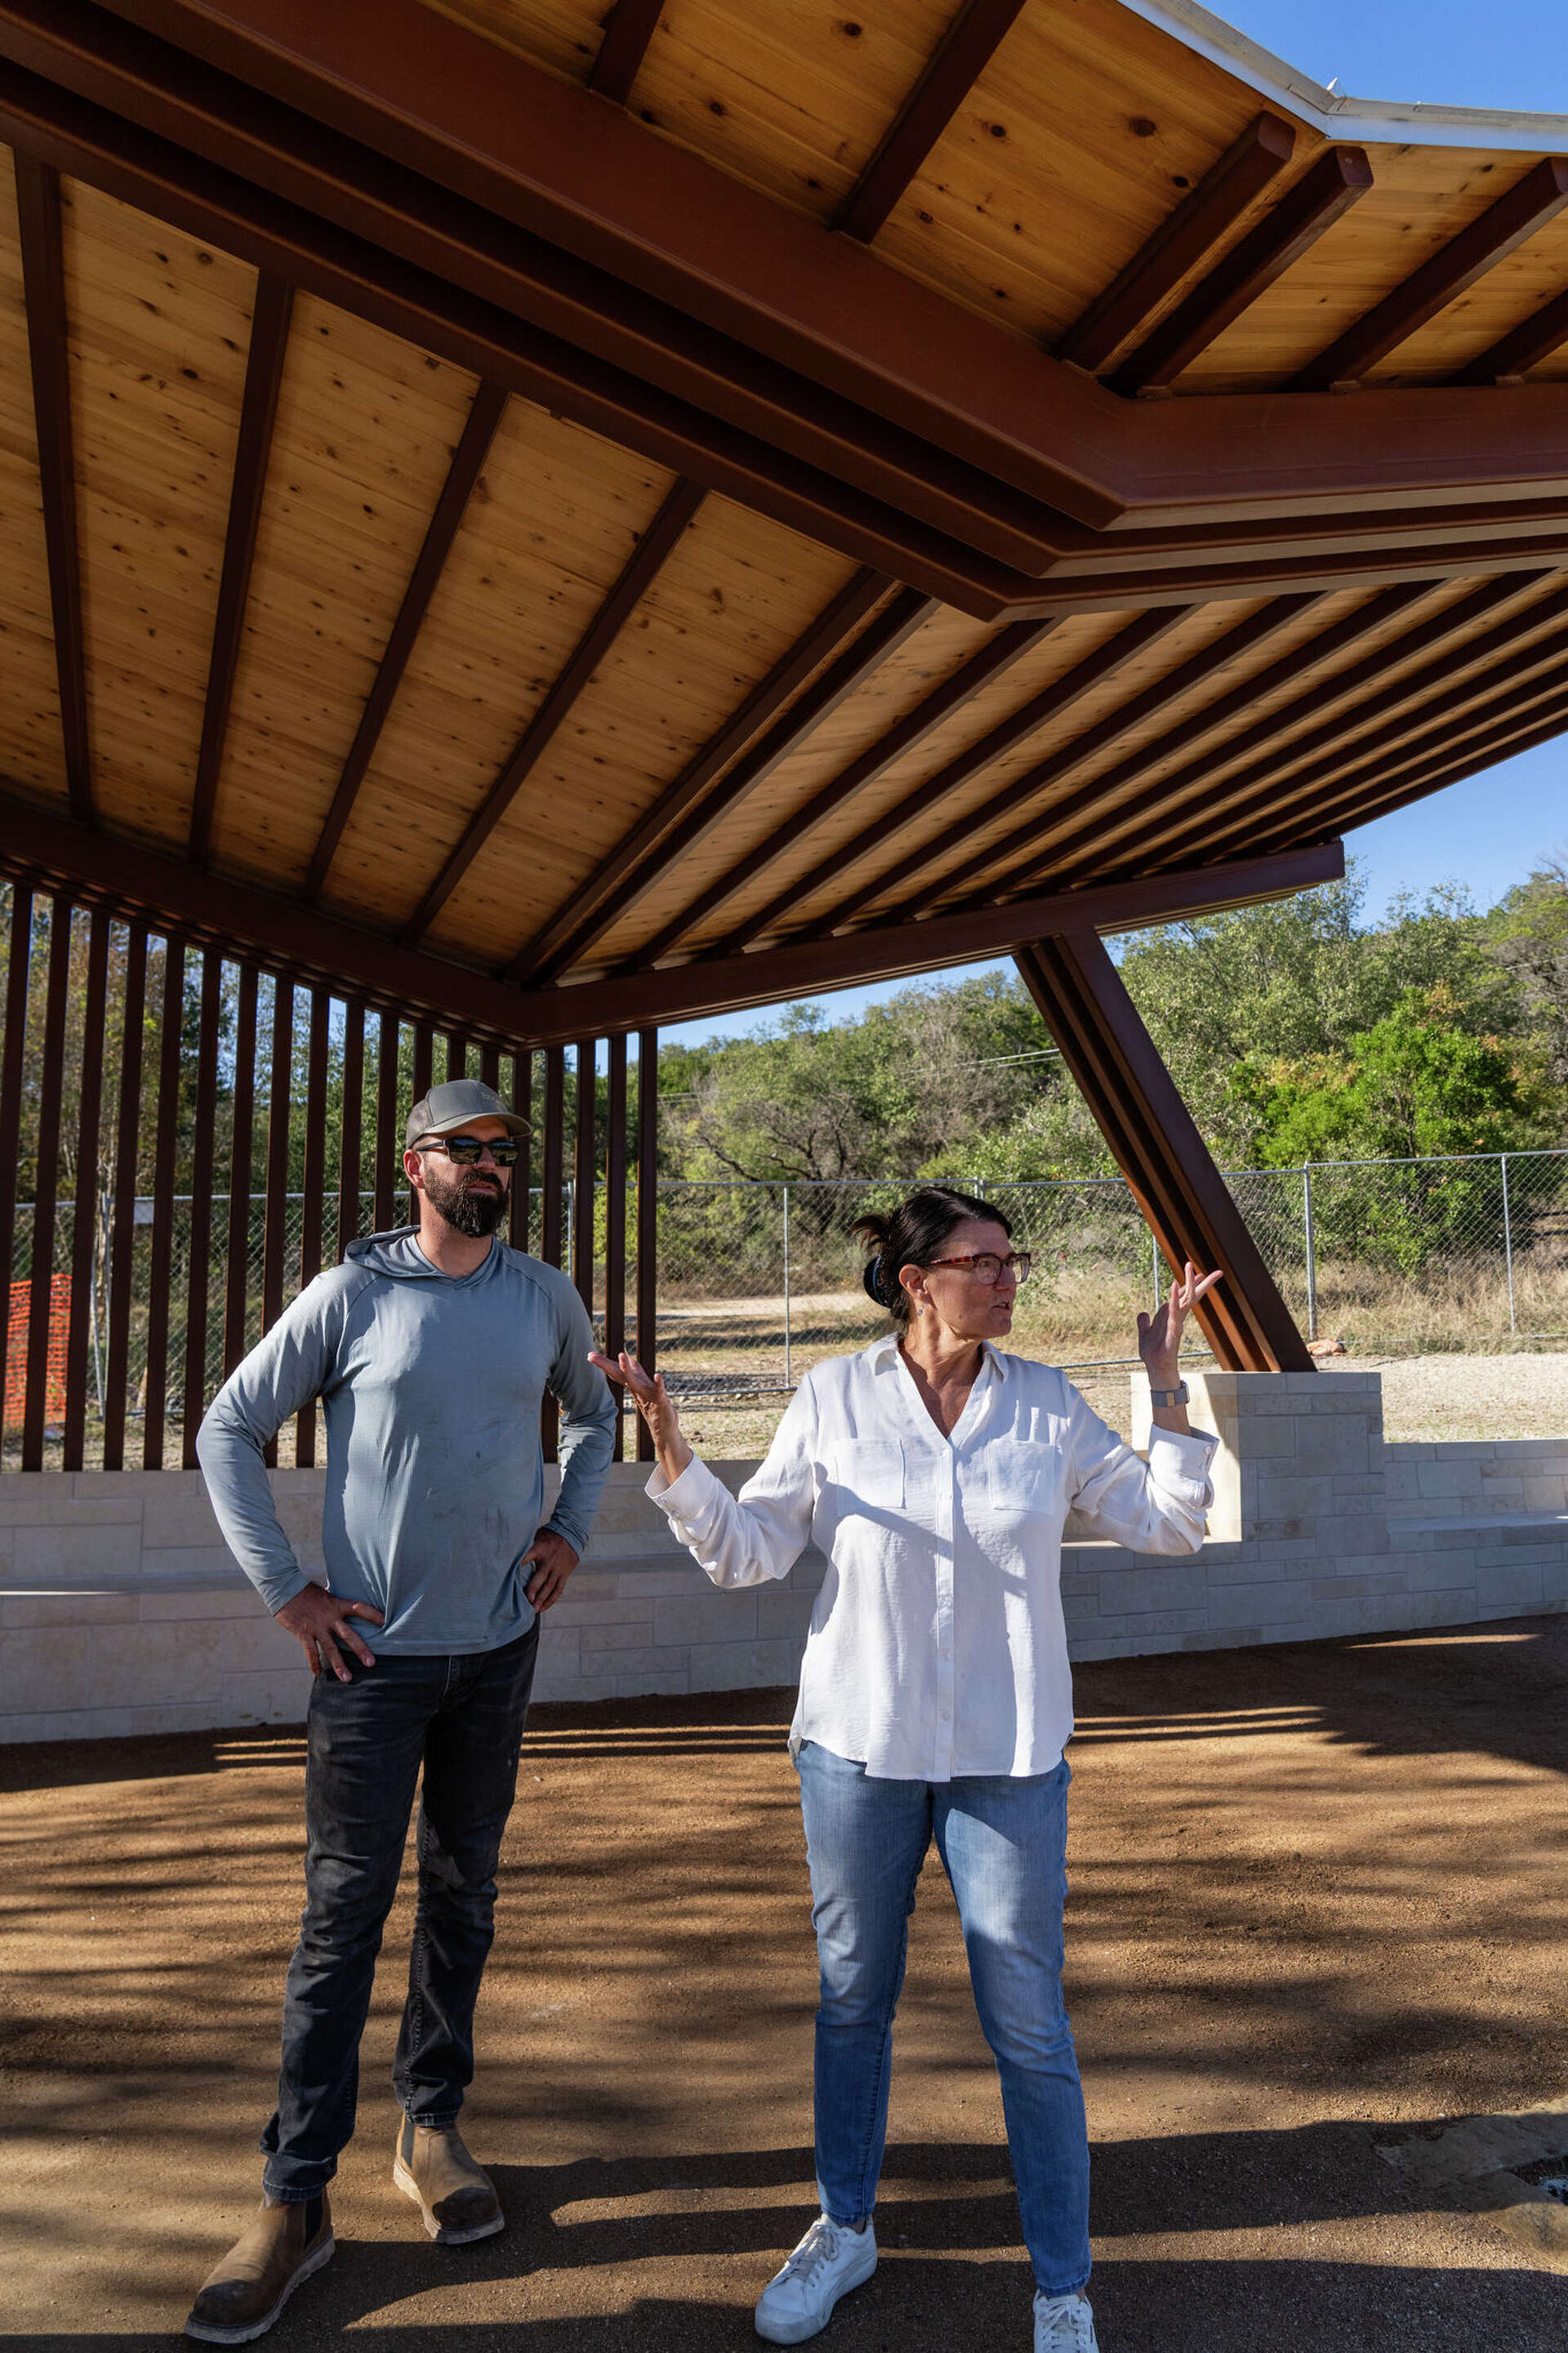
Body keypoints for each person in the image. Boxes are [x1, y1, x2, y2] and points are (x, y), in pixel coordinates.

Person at [593, 1186, 1220, 2353]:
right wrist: (675, 1451)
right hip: (858, 1752)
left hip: (1009, 1757)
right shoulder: (835, 1395)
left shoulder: (1044, 1404)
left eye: (1011, 1260)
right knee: (852, 2001)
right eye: (982, 1261)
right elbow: (750, 1552)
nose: (1006, 1278)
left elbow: (1170, 1521)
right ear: (918, 1278)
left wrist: (1169, 1386)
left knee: (1029, 2024)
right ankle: (845, 2225)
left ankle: (1061, 2285)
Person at [185, 1077, 616, 2345]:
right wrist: (292, 1594)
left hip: (497, 1653)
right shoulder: (351, 1295)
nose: (493, 1167)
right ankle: (293, 2199)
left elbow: (593, 1421)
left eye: (506, 1152)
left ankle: (431, 2129)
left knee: (465, 1893)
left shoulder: (541, 1295)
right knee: (341, 1919)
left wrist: (568, 1530)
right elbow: (228, 1424)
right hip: (369, 1666)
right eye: (469, 1149)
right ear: (414, 1163)